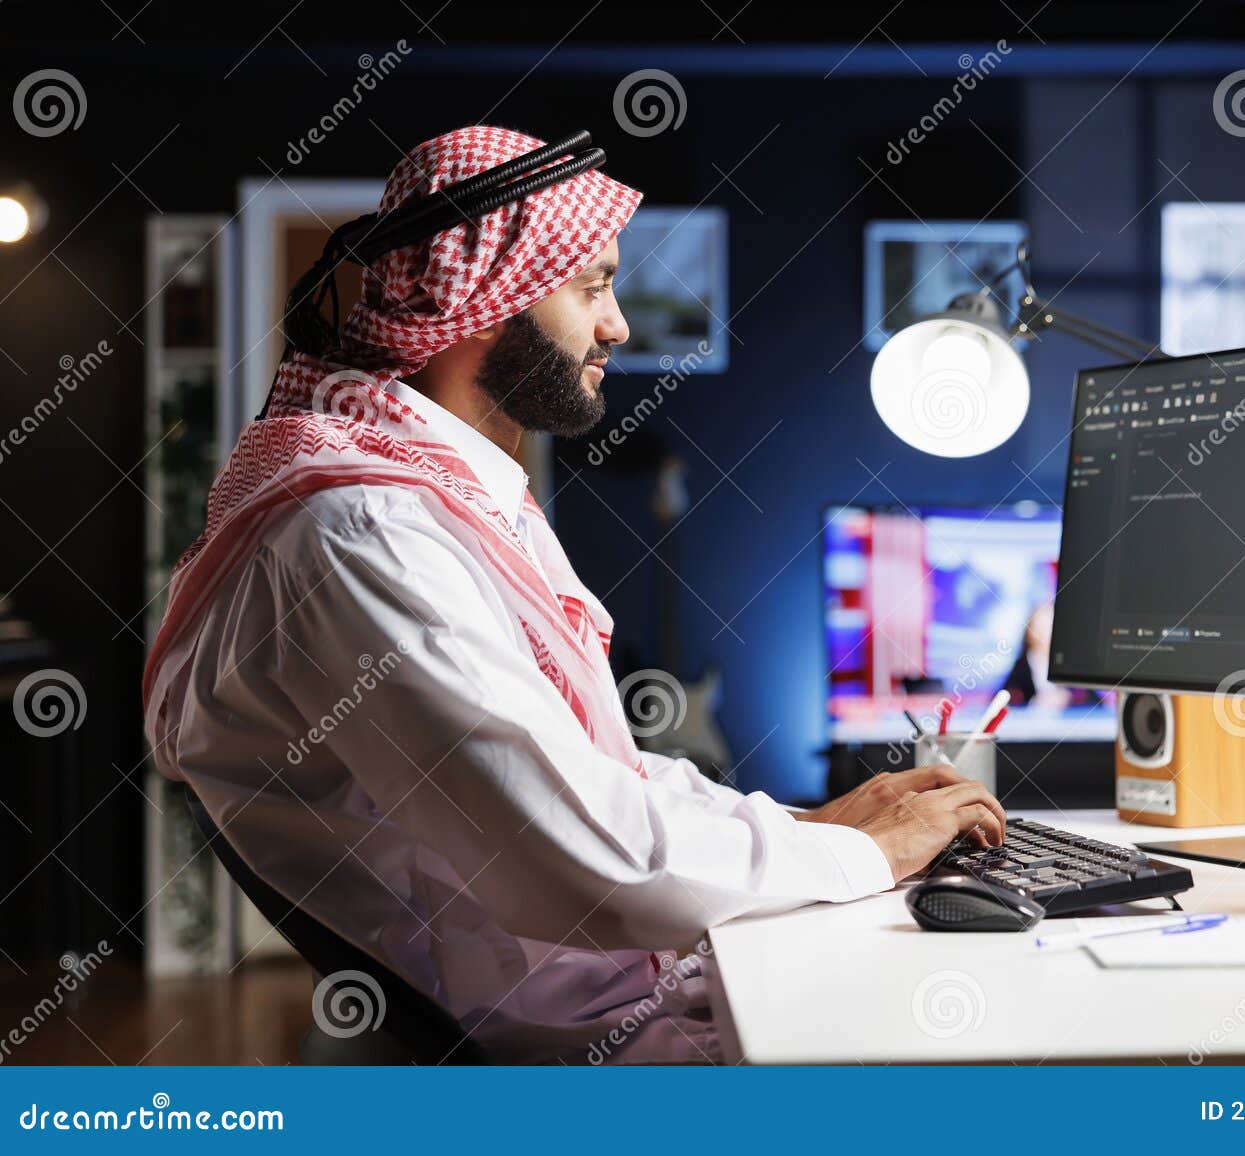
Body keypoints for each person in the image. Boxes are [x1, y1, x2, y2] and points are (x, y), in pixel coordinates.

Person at [142, 126, 1004, 1063]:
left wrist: (810, 823)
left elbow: (599, 776)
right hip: (595, 1040)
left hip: (631, 979)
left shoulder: (442, 494)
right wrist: (870, 853)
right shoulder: (365, 533)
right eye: (591, 285)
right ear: (485, 299)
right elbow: (589, 860)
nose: (619, 325)